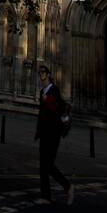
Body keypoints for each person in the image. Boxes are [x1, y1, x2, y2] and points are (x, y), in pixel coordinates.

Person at [35, 63, 74, 205]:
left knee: (49, 165)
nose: (41, 75)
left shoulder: (54, 90)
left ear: (49, 75)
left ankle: (68, 186)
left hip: (53, 133)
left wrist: (49, 101)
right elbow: (42, 113)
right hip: (44, 133)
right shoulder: (42, 92)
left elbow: (57, 107)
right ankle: (46, 196)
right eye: (39, 73)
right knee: (43, 165)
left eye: (43, 73)